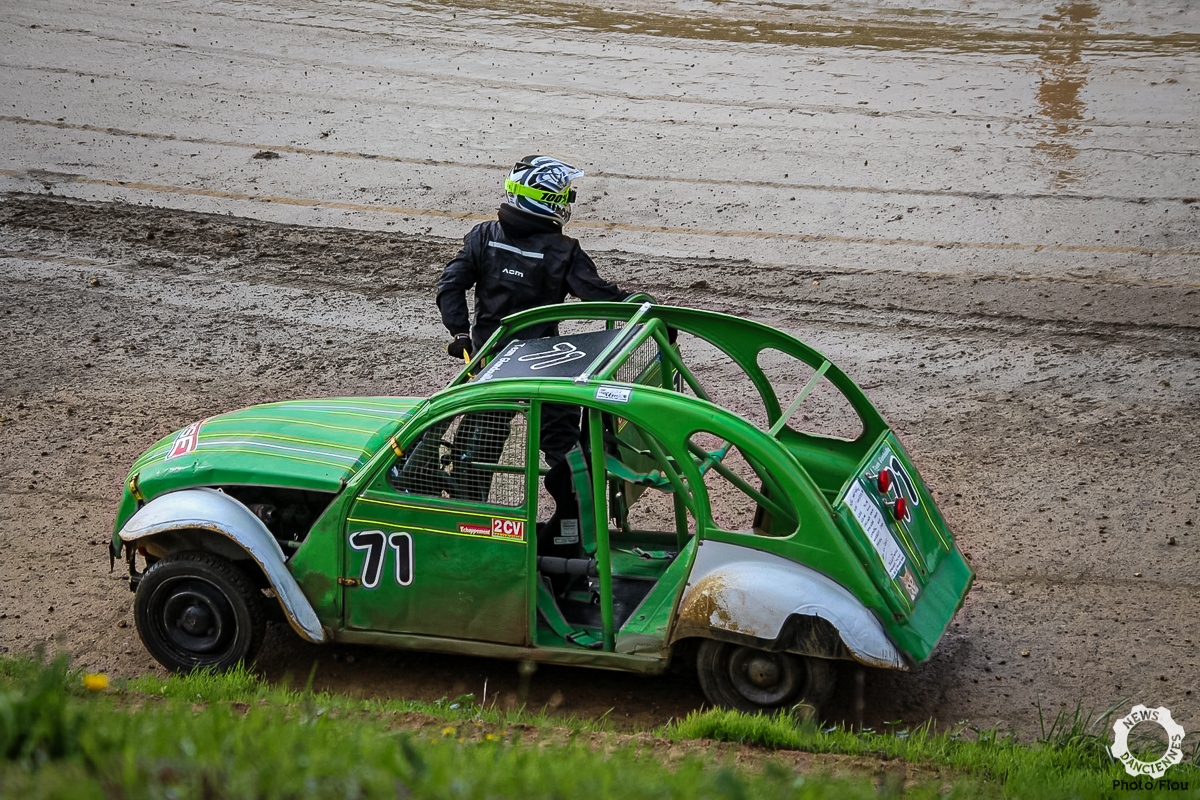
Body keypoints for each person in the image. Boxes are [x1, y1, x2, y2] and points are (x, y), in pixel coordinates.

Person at [436, 155, 635, 557]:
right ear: (549, 200)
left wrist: (460, 334)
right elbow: (598, 295)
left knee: (475, 449)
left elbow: (449, 287)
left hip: (493, 366)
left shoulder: (483, 236)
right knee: (565, 449)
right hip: (547, 366)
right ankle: (575, 533)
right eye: (565, 195)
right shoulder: (563, 250)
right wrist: (638, 306)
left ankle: (466, 528)